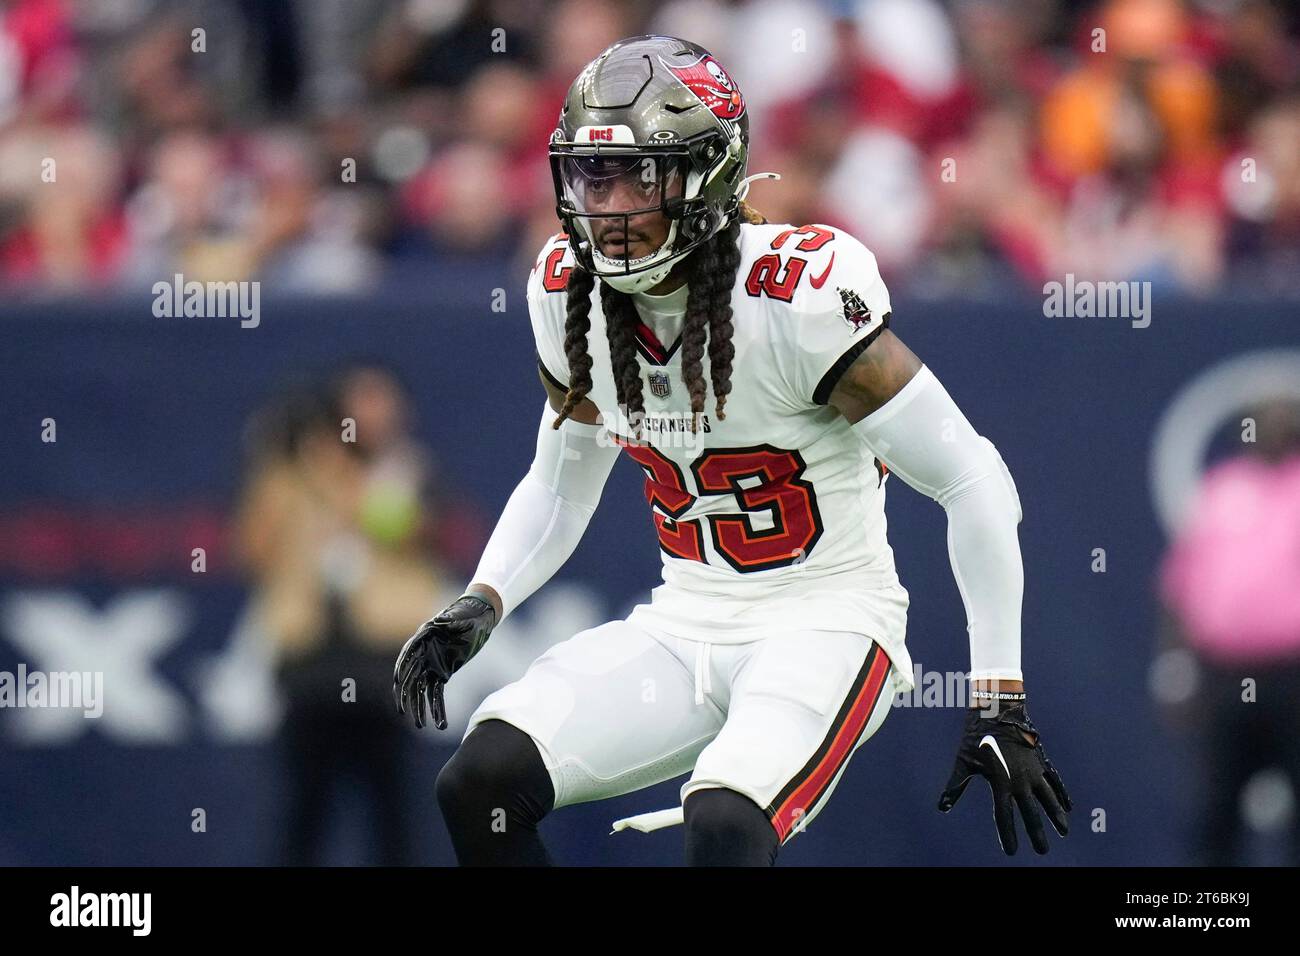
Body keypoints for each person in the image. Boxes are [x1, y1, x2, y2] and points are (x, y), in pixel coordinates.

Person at [394, 35, 1071, 866]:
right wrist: (484, 600)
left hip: (828, 621)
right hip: (685, 620)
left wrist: (999, 698)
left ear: (708, 175)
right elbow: (561, 484)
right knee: (479, 781)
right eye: (591, 176)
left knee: (726, 819)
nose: (607, 207)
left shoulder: (795, 299)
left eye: (640, 176)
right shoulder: (568, 292)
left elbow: (973, 478)